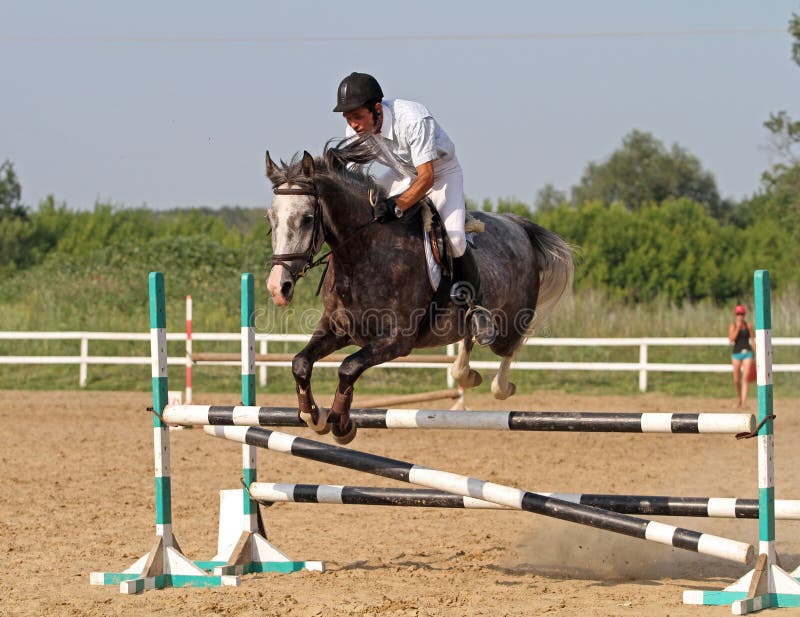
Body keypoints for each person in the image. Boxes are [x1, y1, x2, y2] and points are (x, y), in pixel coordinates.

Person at [332, 72, 496, 346]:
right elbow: (350, 180)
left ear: (376, 108)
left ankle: (476, 307)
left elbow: (427, 177)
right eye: (347, 118)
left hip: (441, 173)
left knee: (454, 241)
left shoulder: (413, 119)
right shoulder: (355, 131)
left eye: (357, 116)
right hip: (403, 173)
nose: (353, 125)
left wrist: (397, 206)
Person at [728, 304, 755, 408]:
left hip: (747, 353)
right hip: (736, 354)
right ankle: (739, 399)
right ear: (736, 315)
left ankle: (744, 402)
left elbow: (752, 341)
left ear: (744, 315)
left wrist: (756, 354)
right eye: (738, 314)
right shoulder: (733, 325)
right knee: (736, 380)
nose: (740, 316)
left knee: (745, 378)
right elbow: (731, 339)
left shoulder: (749, 326)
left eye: (742, 314)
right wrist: (738, 329)